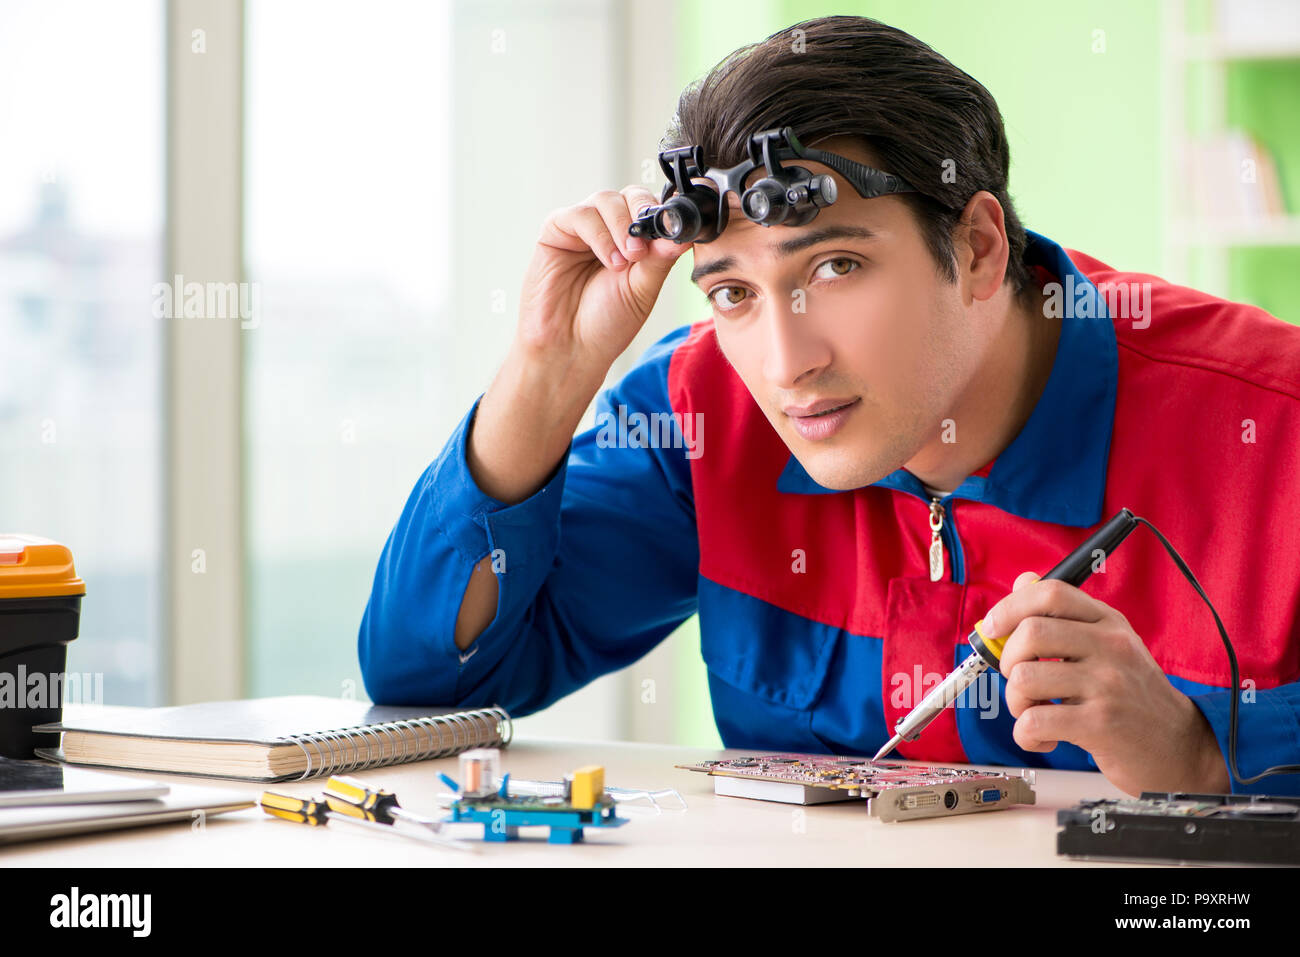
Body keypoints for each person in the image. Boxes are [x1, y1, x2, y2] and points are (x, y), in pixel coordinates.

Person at [358, 15, 1300, 796]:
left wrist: (1201, 763)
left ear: (975, 247)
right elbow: (427, 687)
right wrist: (546, 373)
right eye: (731, 292)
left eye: (836, 267)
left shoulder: (1276, 427)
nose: (785, 361)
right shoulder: (695, 412)